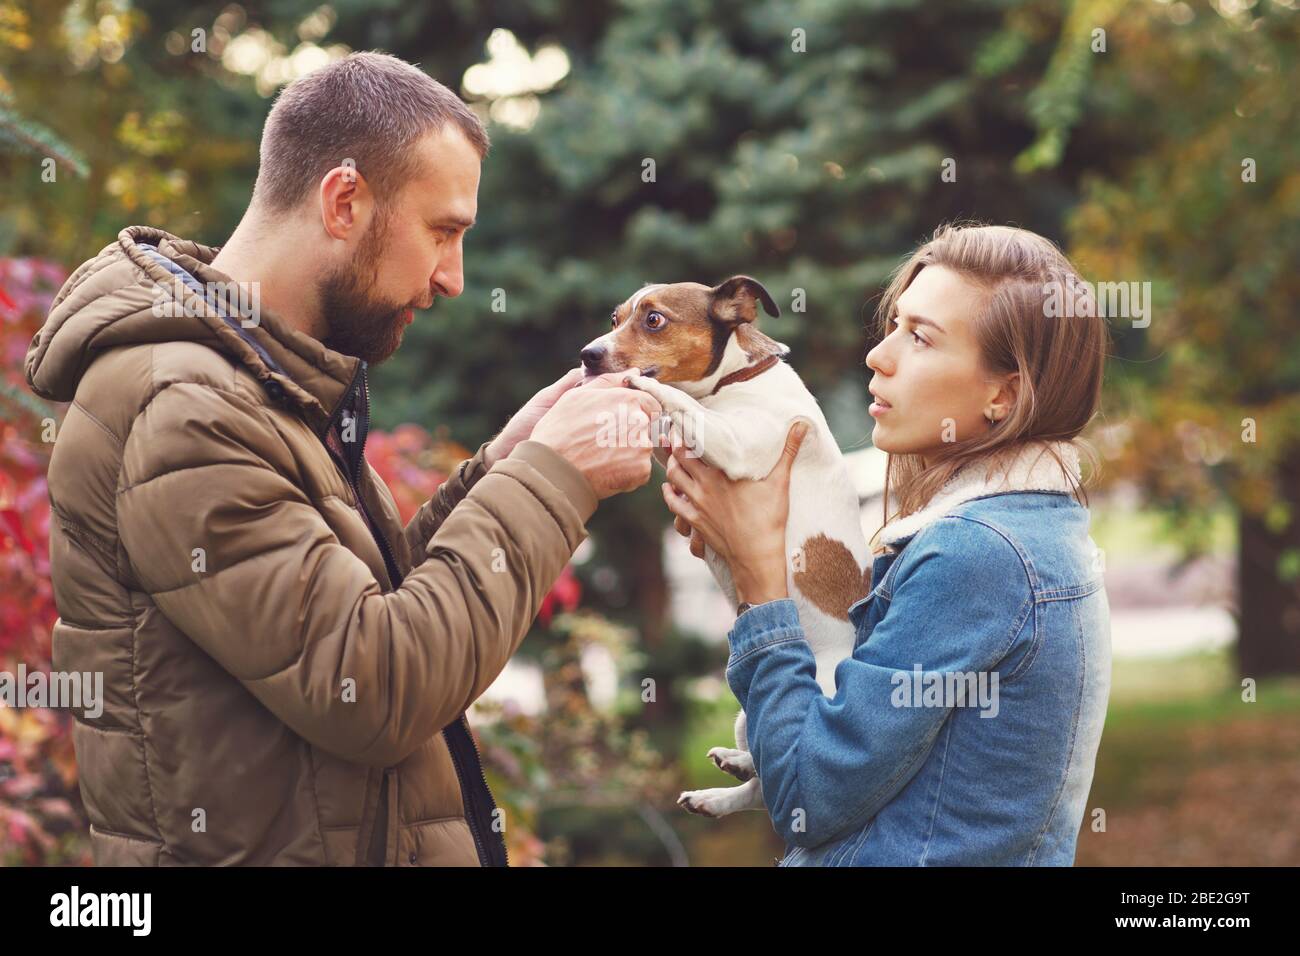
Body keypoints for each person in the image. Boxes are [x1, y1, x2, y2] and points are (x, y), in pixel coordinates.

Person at [23, 51, 661, 866]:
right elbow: (377, 683)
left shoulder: (256, 381)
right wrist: (555, 480)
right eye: (443, 231)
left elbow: (374, 612)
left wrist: (511, 462)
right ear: (344, 201)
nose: (453, 277)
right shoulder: (183, 406)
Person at [659, 223, 1112, 865]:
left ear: (1003, 394)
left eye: (921, 338)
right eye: (894, 325)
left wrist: (762, 586)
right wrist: (741, 547)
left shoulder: (979, 555)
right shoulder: (1018, 532)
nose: (879, 355)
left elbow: (805, 800)